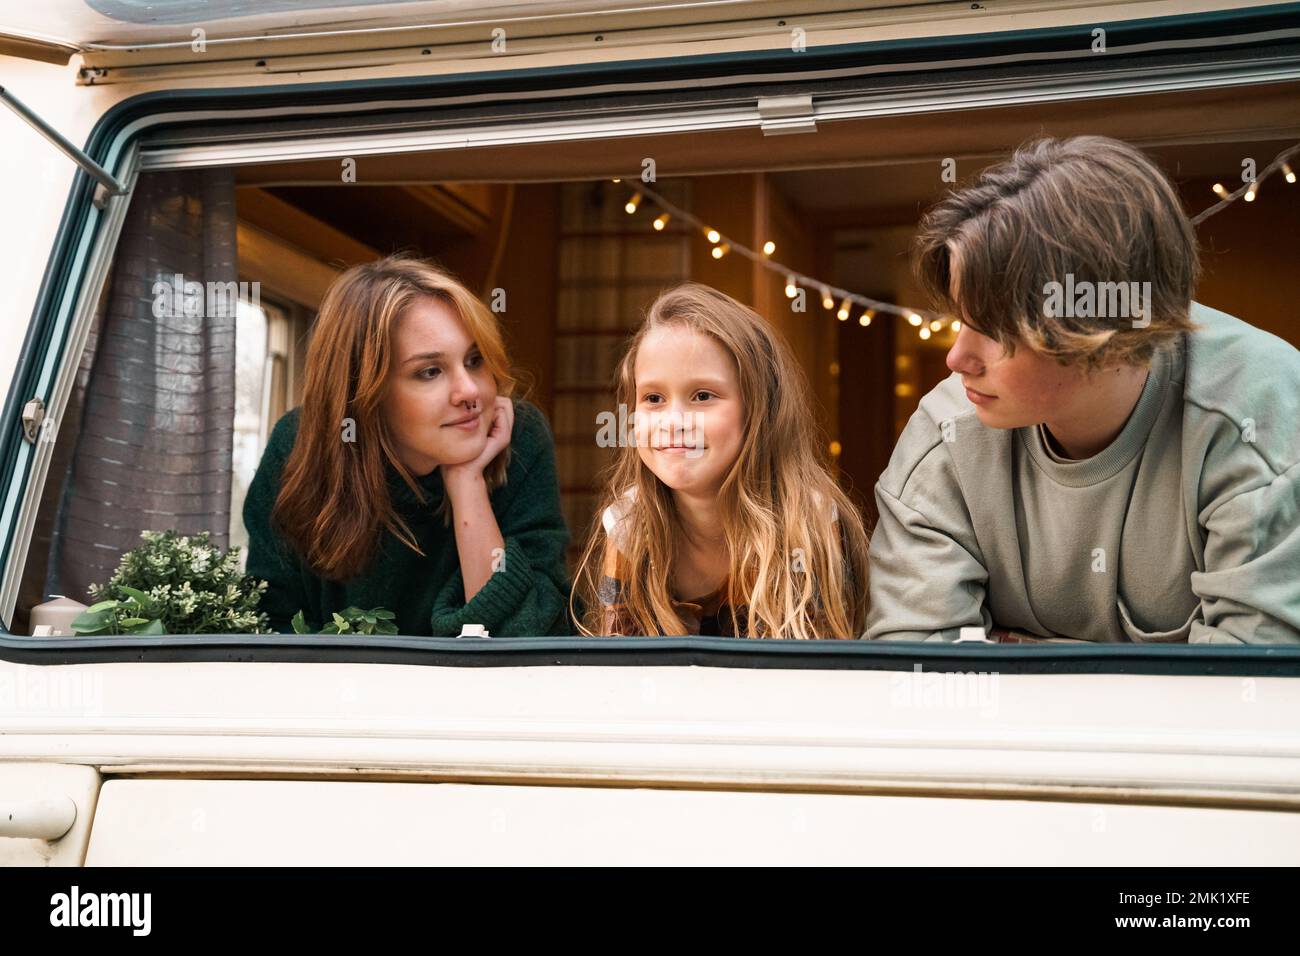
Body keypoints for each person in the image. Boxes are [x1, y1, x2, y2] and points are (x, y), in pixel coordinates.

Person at [866, 136, 1300, 642]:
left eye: (994, 328)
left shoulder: (1257, 415)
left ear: (1105, 331)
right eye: (961, 320)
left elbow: (1252, 695)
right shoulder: (946, 438)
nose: (956, 358)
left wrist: (1023, 654)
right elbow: (921, 680)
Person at [243, 256, 570, 636]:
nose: (469, 391)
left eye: (474, 359)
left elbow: (530, 638)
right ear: (365, 392)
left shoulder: (517, 437)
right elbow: (268, 632)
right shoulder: (299, 446)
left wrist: (467, 484)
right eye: (429, 371)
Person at [572, 283, 869, 638]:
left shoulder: (808, 523)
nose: (673, 421)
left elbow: (821, 675)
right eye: (653, 398)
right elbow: (622, 667)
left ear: (759, 410)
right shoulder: (628, 526)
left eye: (702, 395)